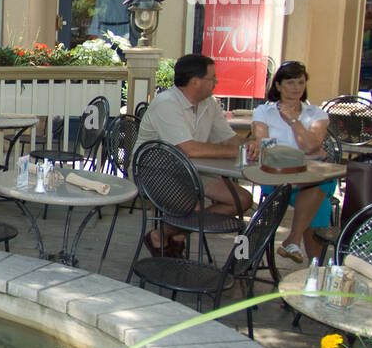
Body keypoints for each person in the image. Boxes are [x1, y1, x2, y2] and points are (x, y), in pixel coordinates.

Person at [136, 53, 259, 254]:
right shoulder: (167, 103)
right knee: (193, 207)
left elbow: (228, 137)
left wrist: (249, 144)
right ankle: (171, 236)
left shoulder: (209, 103)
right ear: (195, 81)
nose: (216, 82)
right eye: (212, 78)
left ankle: (169, 234)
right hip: (156, 171)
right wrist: (233, 152)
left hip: (194, 170)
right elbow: (189, 149)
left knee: (242, 199)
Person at [250, 61, 334, 261]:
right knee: (320, 202)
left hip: (308, 177)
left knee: (318, 186)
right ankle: (315, 268)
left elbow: (309, 146)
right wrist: (308, 153)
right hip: (277, 178)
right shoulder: (264, 112)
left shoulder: (317, 114)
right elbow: (266, 148)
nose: (296, 88)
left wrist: (294, 122)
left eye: (300, 82)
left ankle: (294, 240)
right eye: (290, 83)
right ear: (278, 85)